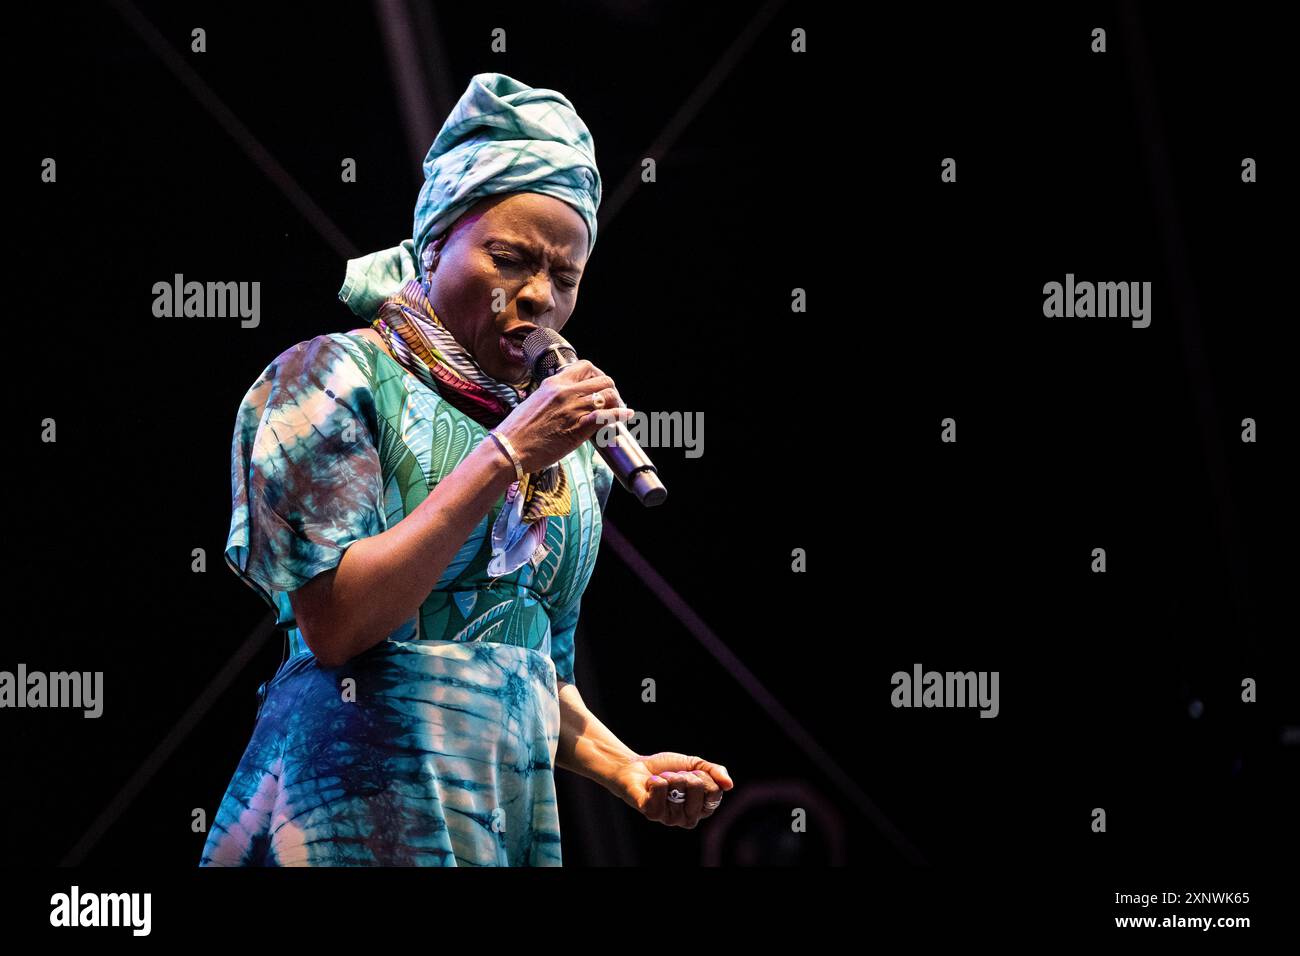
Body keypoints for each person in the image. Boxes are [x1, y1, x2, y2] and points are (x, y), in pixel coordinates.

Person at [199, 73, 733, 866]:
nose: (537, 297)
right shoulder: (331, 378)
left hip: (496, 811)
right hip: (350, 803)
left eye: (565, 277)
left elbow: (526, 668)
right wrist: (505, 453)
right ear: (436, 241)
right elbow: (339, 625)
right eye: (509, 258)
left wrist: (627, 770)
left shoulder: (566, 454)